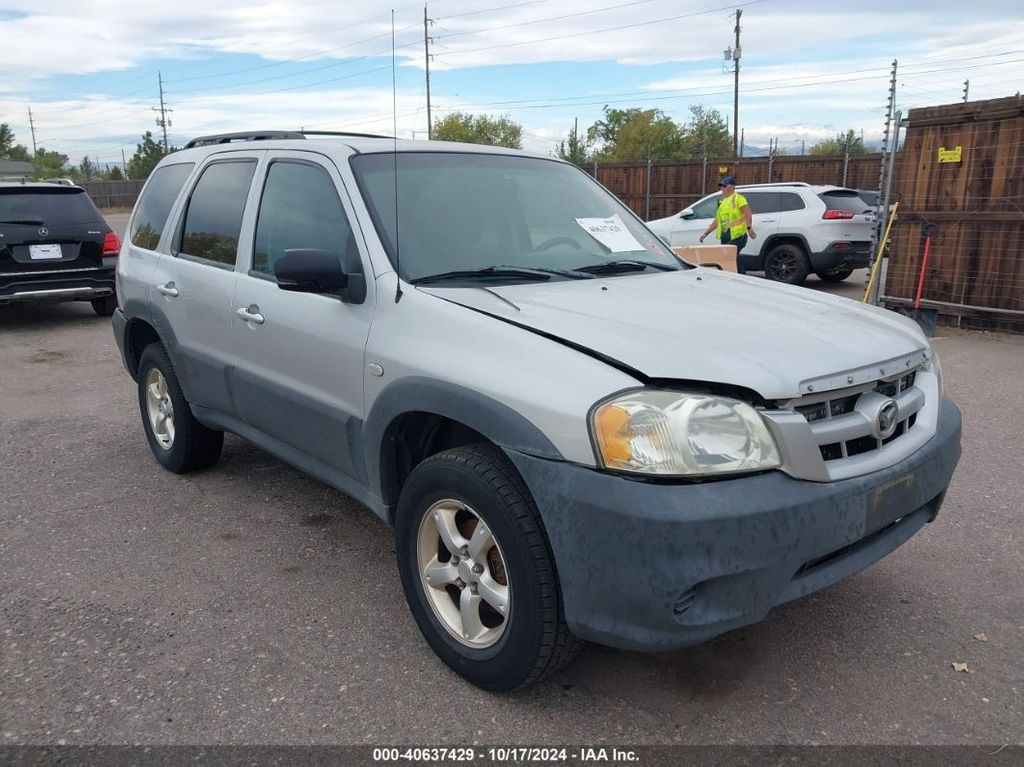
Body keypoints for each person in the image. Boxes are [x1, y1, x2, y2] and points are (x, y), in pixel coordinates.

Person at [698, 175, 756, 274]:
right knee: (729, 259)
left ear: (732, 187)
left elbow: (747, 213)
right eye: (722, 186)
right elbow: (717, 221)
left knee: (728, 257)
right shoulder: (723, 202)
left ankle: (741, 276)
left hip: (738, 236)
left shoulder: (738, 198)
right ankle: (737, 277)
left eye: (725, 186)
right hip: (725, 236)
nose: (722, 188)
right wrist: (706, 233)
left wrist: (749, 228)